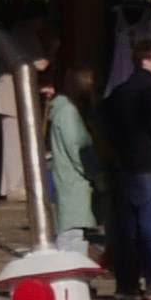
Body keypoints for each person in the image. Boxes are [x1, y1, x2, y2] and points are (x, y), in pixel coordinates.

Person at [98, 38, 151, 300]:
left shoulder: (123, 89)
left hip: (125, 167)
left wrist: (115, 144)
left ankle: (127, 284)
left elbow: (101, 115)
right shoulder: (149, 88)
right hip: (148, 167)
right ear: (145, 60)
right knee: (149, 230)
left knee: (126, 230)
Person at [46, 66, 106, 256]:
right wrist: (95, 173)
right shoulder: (67, 112)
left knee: (75, 234)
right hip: (74, 183)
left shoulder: (66, 110)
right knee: (71, 236)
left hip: (72, 180)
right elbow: (77, 147)